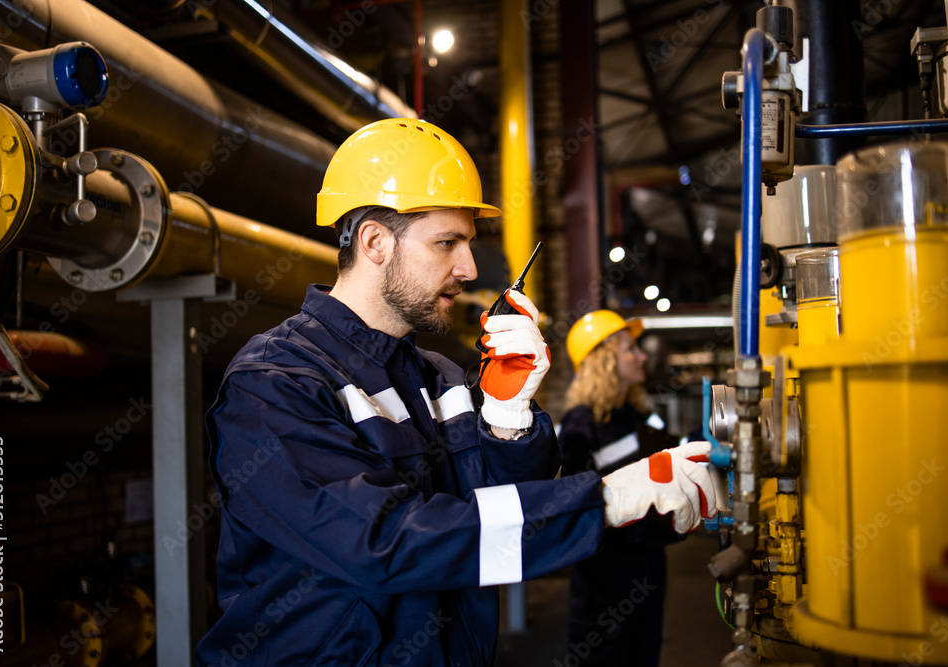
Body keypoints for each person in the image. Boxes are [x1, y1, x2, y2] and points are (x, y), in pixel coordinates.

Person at [194, 118, 715, 666]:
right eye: (447, 243)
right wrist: (604, 500)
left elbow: (504, 519)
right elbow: (385, 542)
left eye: (467, 243)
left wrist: (509, 418)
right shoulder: (276, 384)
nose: (467, 268)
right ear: (375, 242)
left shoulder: (440, 376)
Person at [558, 310, 692, 666]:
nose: (643, 355)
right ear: (604, 360)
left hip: (648, 570)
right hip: (604, 581)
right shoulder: (579, 427)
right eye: (631, 349)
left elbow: (671, 458)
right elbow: (578, 508)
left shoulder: (639, 416)